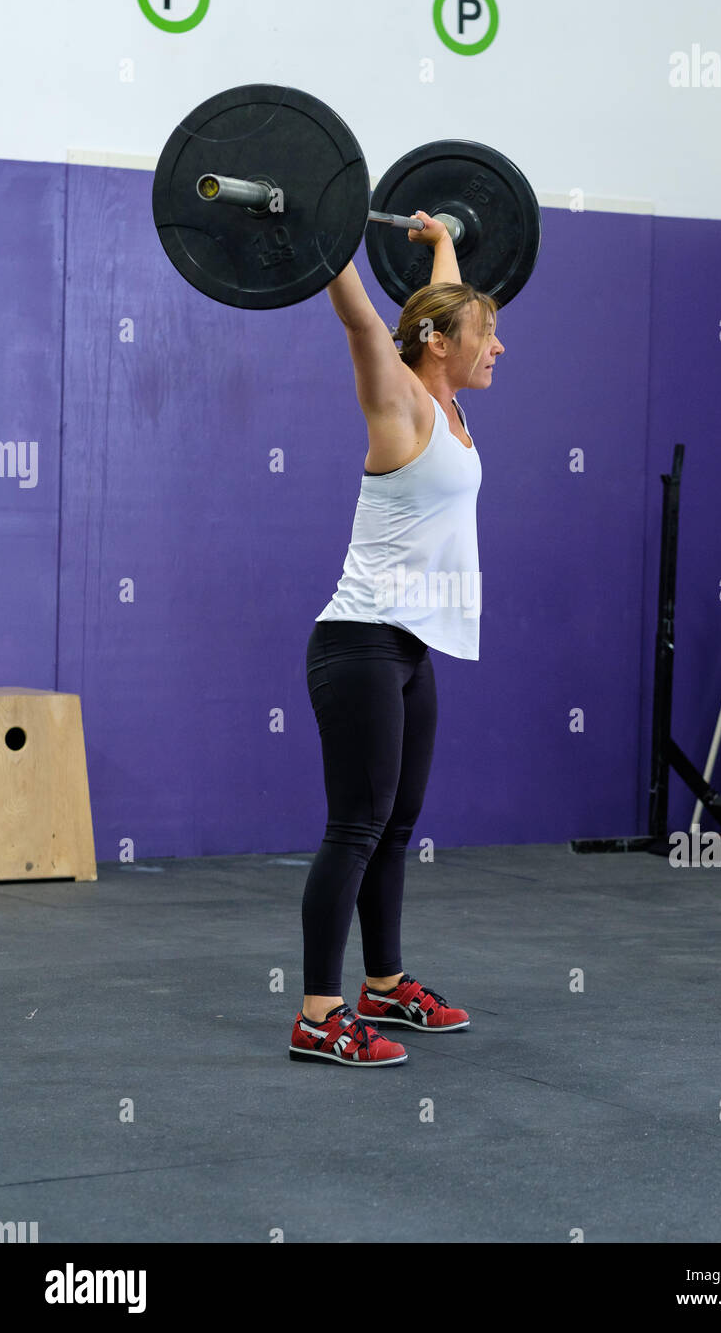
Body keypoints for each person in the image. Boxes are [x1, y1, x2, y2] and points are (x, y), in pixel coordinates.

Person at [289, 212, 504, 1067]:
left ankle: (384, 988)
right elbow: (367, 324)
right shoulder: (402, 401)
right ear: (440, 346)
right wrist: (323, 229)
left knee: (395, 823)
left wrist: (442, 236)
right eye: (487, 337)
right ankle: (316, 1013)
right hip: (360, 643)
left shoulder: (446, 400)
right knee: (356, 824)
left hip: (408, 650)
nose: (499, 349)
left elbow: (436, 308)